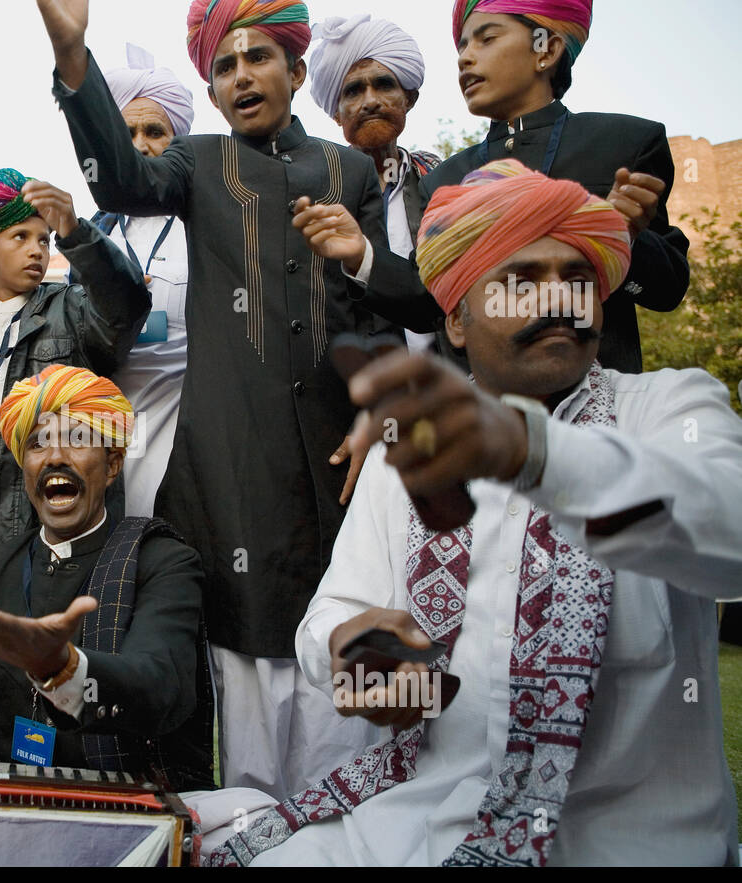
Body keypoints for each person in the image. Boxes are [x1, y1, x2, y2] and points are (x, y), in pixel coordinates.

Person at [198, 161, 742, 866]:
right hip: (425, 816)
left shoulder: (671, 408)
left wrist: (527, 449)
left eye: (577, 281)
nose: (559, 302)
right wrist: (354, 652)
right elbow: (328, 621)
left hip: (624, 854)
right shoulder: (407, 453)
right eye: (521, 282)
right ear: (455, 318)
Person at [37, 0, 396, 799]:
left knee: (345, 666)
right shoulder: (198, 164)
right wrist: (74, 59)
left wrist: (381, 403)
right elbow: (123, 179)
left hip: (343, 464)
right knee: (254, 681)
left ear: (297, 71)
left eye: (257, 59)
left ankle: (348, 838)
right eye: (223, 66)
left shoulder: (350, 172)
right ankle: (262, 839)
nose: (240, 77)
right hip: (237, 475)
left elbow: (375, 314)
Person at [0, 365, 212, 790]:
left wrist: (65, 669)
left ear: (112, 466)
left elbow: (160, 688)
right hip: (8, 808)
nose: (54, 456)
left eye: (78, 439)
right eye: (37, 444)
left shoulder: (163, 562)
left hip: (125, 807)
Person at [359, 0, 690, 373]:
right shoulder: (443, 179)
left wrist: (626, 237)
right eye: (462, 46)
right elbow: (428, 303)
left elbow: (669, 290)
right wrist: (360, 257)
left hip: (596, 416)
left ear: (545, 50)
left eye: (486, 40)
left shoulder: (624, 142)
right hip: (488, 419)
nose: (465, 58)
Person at [0, 169, 149, 552]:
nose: (37, 250)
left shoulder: (71, 307)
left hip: (61, 533)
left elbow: (125, 309)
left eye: (44, 240)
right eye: (21, 237)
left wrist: (77, 233)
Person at [90, 43, 194, 515]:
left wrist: (136, 317)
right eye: (126, 132)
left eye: (155, 131)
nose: (140, 145)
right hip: (104, 424)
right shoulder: (92, 235)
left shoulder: (202, 226)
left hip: (185, 425)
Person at [307, 14, 441, 351]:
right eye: (353, 90)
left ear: (409, 98)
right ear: (336, 113)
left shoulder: (437, 180)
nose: (370, 101)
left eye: (383, 85)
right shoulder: (318, 192)